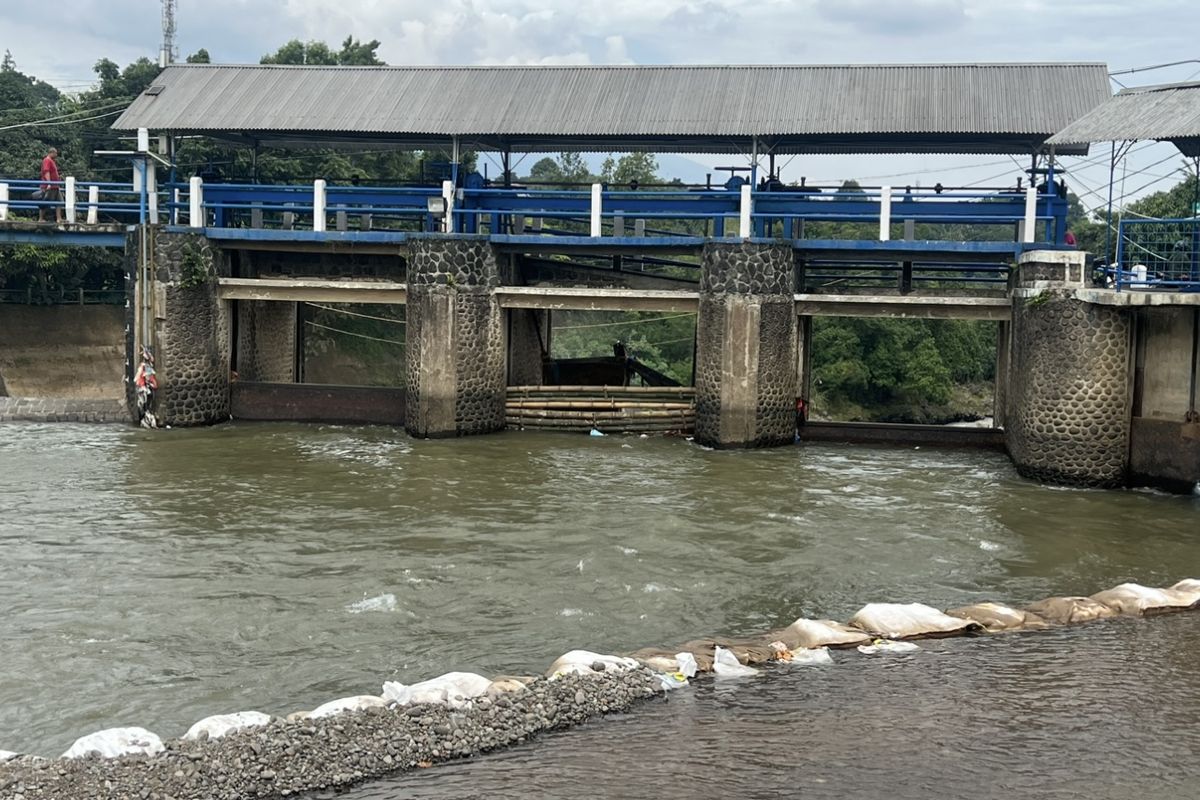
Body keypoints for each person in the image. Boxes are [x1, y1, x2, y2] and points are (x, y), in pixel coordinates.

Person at [39, 147, 62, 223]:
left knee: (59, 201)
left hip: (55, 186)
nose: (56, 155)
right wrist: (49, 183)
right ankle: (41, 218)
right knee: (46, 201)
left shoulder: (52, 161)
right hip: (49, 186)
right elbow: (46, 172)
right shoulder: (47, 160)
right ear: (51, 153)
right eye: (55, 153)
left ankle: (59, 218)